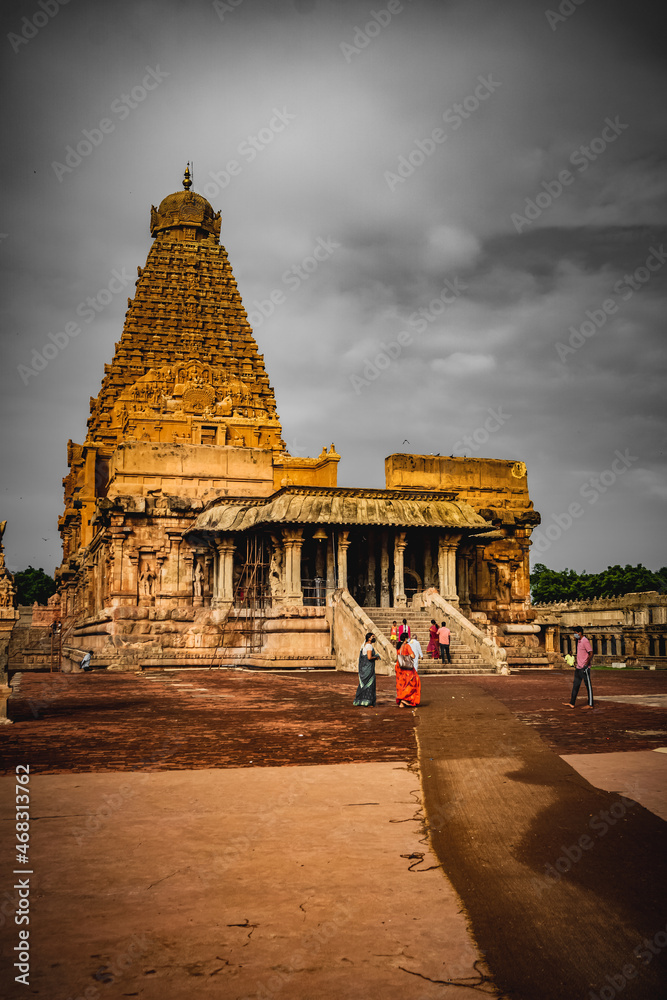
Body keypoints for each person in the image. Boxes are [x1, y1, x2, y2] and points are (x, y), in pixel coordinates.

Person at [562, 625, 594, 709]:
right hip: (579, 667)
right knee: (575, 685)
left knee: (588, 686)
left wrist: (586, 664)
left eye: (575, 633)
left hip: (584, 667)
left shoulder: (585, 641)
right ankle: (572, 703)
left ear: (579, 633)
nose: (574, 635)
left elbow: (591, 653)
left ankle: (590, 704)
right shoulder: (579, 641)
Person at [353, 632, 380, 707]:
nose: (374, 638)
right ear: (369, 638)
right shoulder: (369, 646)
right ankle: (368, 701)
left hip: (364, 668)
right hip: (369, 668)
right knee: (370, 684)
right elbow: (369, 657)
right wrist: (376, 657)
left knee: (363, 684)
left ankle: (361, 700)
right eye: (372, 636)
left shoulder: (364, 645)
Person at [395, 636, 421, 708]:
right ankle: (404, 698)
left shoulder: (398, 645)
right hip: (406, 668)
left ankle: (401, 702)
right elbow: (412, 656)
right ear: (406, 639)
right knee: (412, 682)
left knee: (401, 684)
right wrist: (413, 655)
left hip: (399, 667)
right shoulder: (407, 646)